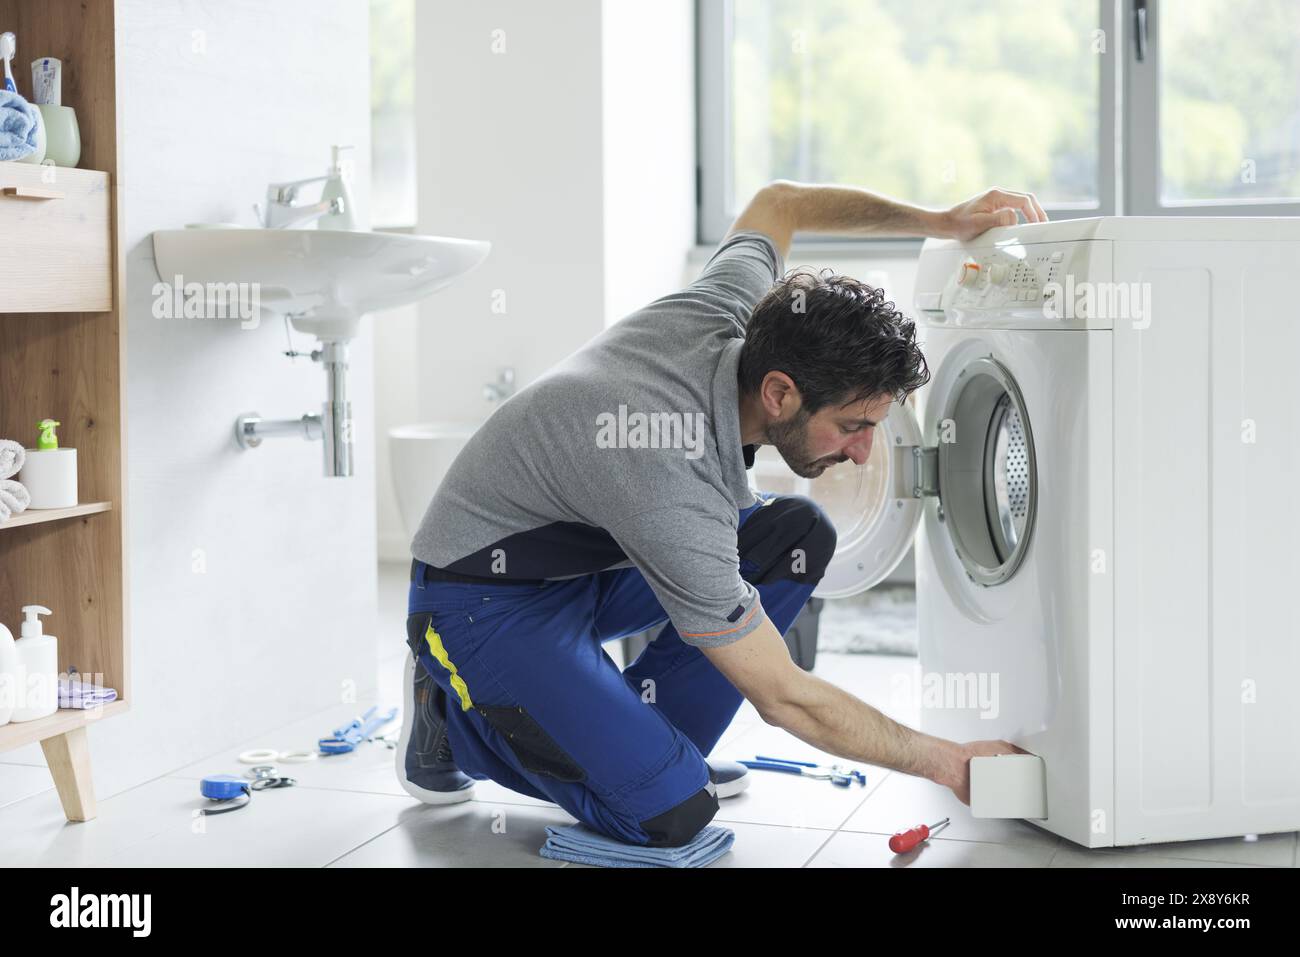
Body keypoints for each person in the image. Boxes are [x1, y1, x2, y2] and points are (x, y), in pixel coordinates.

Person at [396, 181, 1046, 847]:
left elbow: (782, 202)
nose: (862, 451)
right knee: (670, 813)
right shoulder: (668, 474)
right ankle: (449, 719)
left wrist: (937, 219)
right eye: (853, 425)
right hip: (479, 600)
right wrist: (950, 761)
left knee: (796, 535)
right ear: (780, 393)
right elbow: (782, 694)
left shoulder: (733, 311)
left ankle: (644, 748)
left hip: (578, 563)